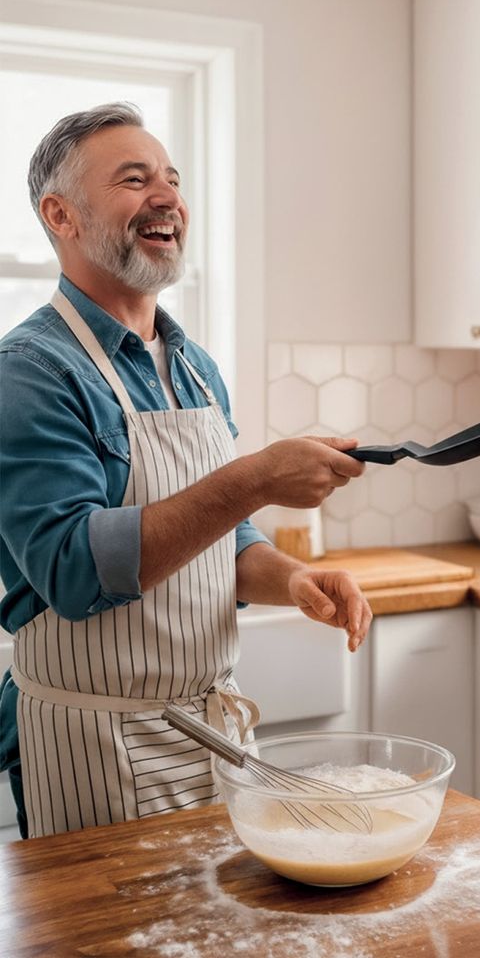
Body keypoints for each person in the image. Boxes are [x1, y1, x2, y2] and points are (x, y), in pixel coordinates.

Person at [0, 102, 372, 839]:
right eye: (135, 180)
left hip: (213, 735)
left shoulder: (194, 367)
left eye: (171, 179)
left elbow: (221, 540)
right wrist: (257, 478)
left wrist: (292, 579)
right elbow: (74, 571)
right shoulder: (30, 372)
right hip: (92, 745)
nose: (167, 197)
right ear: (61, 215)